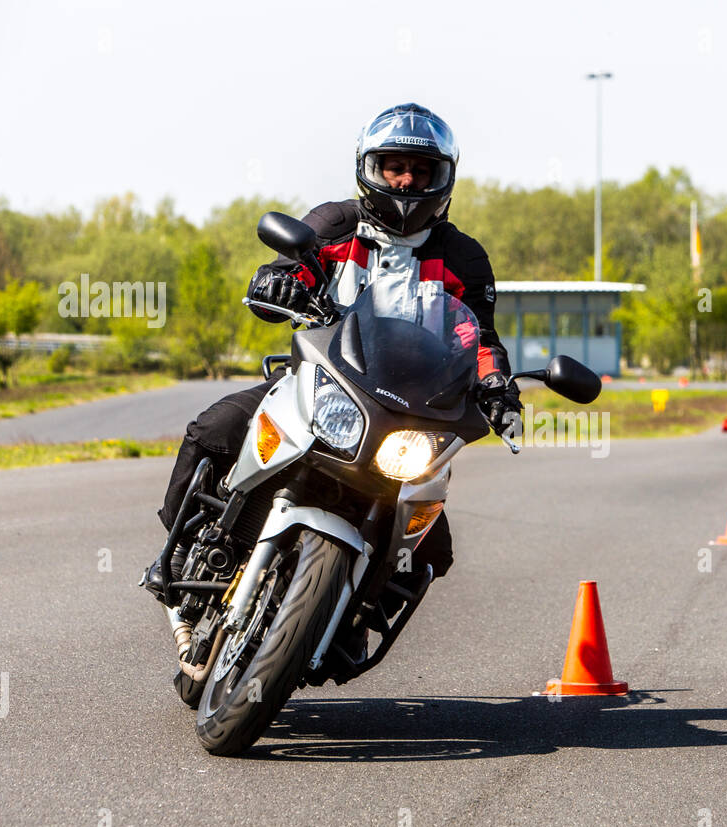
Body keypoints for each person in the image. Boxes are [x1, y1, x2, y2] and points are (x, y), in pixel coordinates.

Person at [144, 103, 522, 610]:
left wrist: (498, 386)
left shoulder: (464, 257)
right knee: (214, 432)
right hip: (320, 381)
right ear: (371, 169)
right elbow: (288, 267)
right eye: (395, 166)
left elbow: (481, 339)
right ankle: (182, 551)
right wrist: (276, 281)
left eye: (421, 169)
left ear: (443, 176)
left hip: (408, 412)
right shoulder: (335, 223)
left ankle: (345, 622)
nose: (407, 180)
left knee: (431, 552)